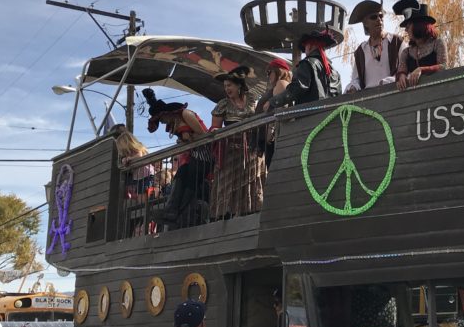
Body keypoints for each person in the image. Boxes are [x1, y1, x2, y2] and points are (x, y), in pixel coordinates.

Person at [143, 87, 212, 229]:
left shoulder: (186, 114)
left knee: (190, 175)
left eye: (161, 118)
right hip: (194, 155)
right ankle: (171, 210)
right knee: (181, 174)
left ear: (166, 113)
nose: (161, 122)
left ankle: (174, 213)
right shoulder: (174, 123)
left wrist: (189, 138)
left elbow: (204, 136)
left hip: (206, 155)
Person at [209, 67, 265, 220]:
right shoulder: (223, 104)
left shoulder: (252, 98)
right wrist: (214, 131)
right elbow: (215, 127)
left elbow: (260, 116)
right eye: (225, 86)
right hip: (230, 151)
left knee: (252, 179)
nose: (227, 89)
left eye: (230, 85)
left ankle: (251, 211)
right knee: (228, 183)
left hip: (252, 149)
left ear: (239, 85)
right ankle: (225, 215)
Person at [272, 30, 342, 108]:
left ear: (309, 46)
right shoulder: (335, 72)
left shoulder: (307, 63)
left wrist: (274, 102)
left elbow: (297, 88)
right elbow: (338, 98)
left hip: (310, 116)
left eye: (305, 46)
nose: (305, 51)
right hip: (331, 116)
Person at [346, 0, 401, 92]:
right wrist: (353, 87)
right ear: (365, 23)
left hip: (394, 94)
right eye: (373, 17)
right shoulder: (361, 51)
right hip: (369, 100)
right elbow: (356, 79)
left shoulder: (396, 42)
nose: (379, 19)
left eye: (381, 16)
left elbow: (407, 69)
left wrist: (392, 80)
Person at [394, 0, 447, 90]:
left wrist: (421, 69)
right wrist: (401, 76)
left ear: (419, 25)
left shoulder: (438, 43)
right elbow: (401, 70)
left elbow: (443, 66)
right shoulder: (406, 52)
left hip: (438, 90)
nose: (406, 30)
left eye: (408, 26)